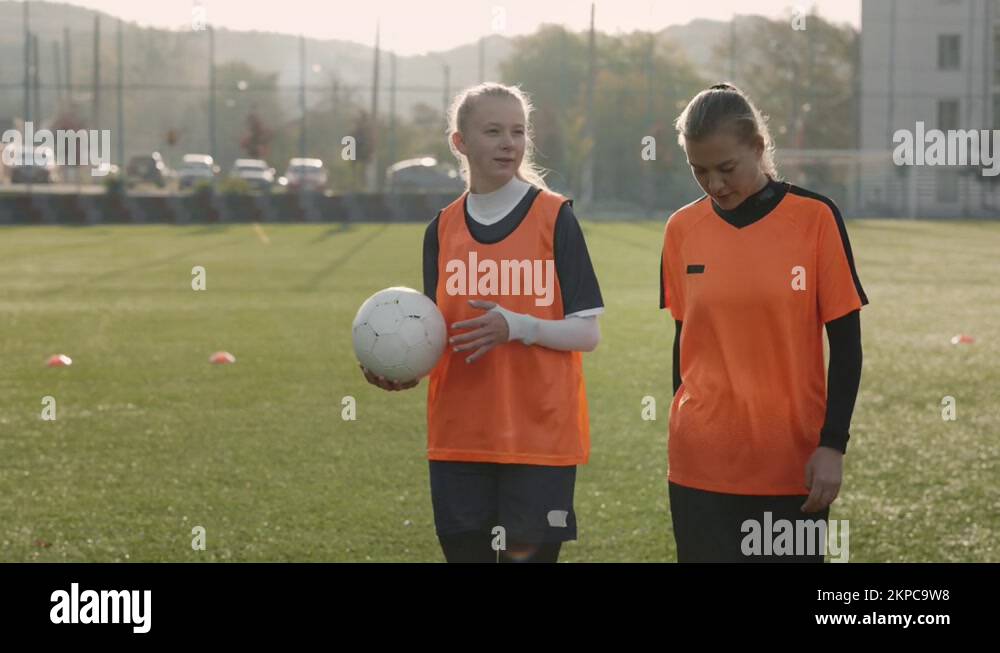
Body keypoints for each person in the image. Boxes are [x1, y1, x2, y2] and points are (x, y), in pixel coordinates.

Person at [362, 82, 604, 563]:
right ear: (460, 142)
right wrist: (403, 368)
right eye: (493, 131)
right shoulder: (442, 228)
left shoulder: (555, 217)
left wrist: (518, 326)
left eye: (517, 131)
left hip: (538, 443)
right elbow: (436, 333)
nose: (508, 143)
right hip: (459, 443)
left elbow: (587, 333)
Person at [660, 83, 868, 562]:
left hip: (791, 468)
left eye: (726, 168)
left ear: (757, 146)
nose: (714, 184)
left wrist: (832, 446)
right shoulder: (681, 229)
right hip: (699, 467)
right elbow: (685, 342)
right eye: (699, 171)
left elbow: (848, 346)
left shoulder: (815, 219)